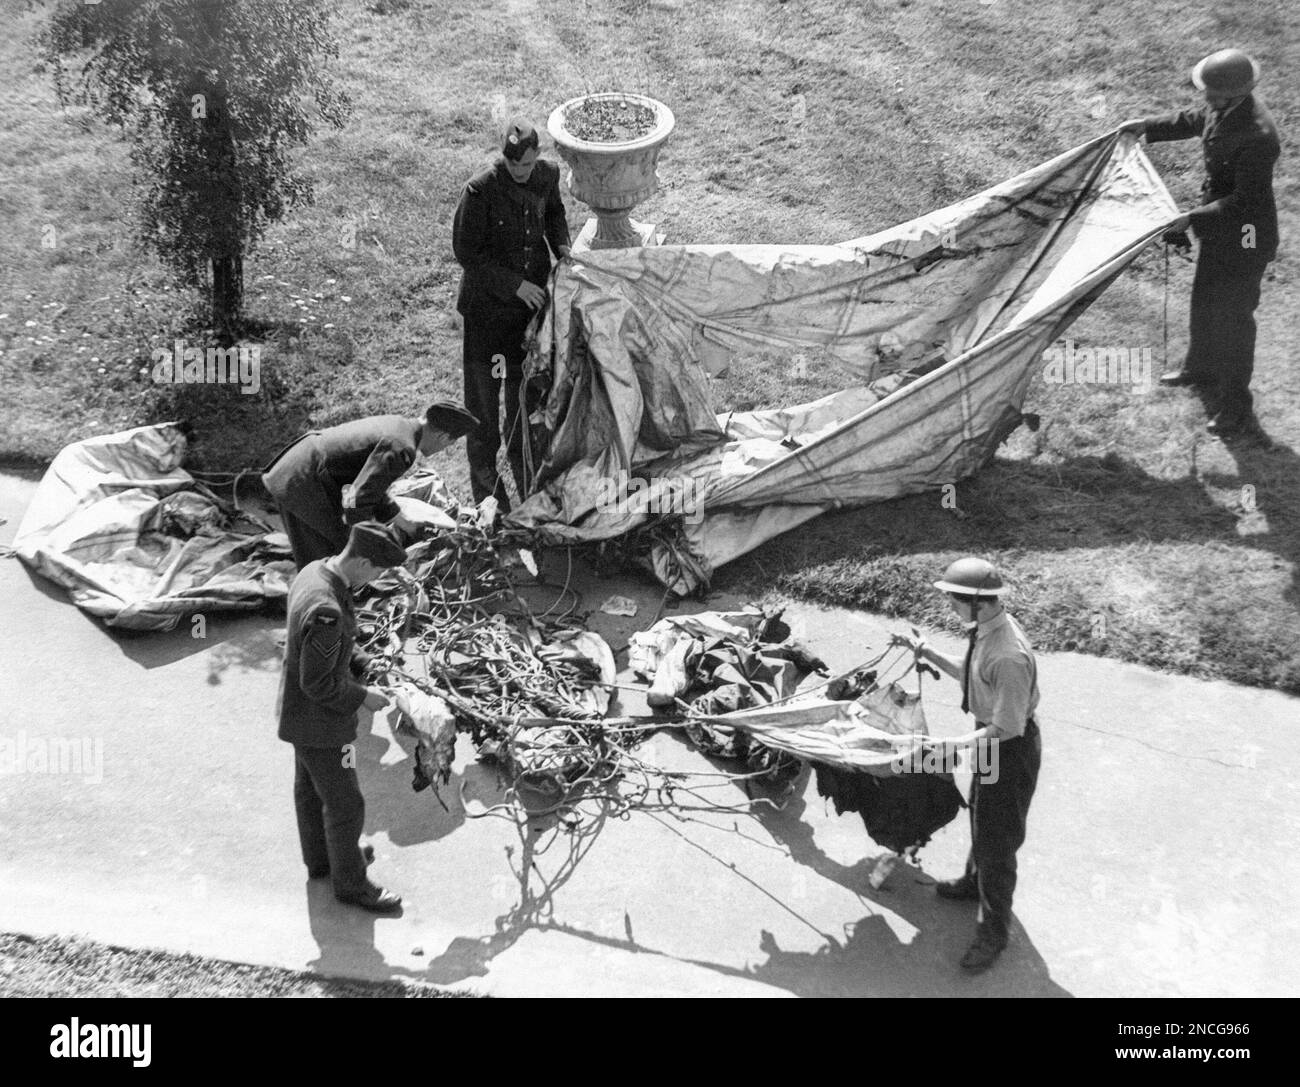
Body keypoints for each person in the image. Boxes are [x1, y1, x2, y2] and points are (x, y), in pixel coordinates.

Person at [889, 557, 1040, 973]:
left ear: (981, 603)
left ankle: (994, 932)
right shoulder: (985, 632)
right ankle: (975, 883)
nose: (951, 608)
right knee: (981, 812)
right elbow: (972, 676)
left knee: (998, 842)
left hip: (1009, 749)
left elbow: (1008, 726)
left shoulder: (1007, 656)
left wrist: (953, 745)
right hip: (989, 740)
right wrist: (927, 652)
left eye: (956, 601)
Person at [1118, 48, 1280, 437]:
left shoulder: (1259, 137)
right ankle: (1201, 369)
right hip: (1220, 228)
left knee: (1234, 321)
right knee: (1205, 300)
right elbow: (1195, 119)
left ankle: (1236, 409)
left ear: (1237, 93)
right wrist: (1146, 126)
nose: (1205, 98)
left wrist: (1192, 217)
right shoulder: (1226, 106)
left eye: (1213, 92)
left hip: (1246, 237)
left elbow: (1246, 201)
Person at [277, 520, 407, 912]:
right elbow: (318, 682)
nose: (378, 579)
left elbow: (327, 649)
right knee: (346, 804)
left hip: (299, 717)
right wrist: (363, 696)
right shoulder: (327, 609)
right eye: (378, 571)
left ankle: (323, 862)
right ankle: (352, 886)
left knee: (308, 790)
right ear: (364, 562)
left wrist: (365, 662)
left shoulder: (315, 572)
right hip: (320, 721)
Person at [452, 117, 572, 508]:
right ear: (503, 158)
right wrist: (514, 285)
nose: (520, 172)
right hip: (487, 317)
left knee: (523, 402)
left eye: (526, 164)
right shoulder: (481, 189)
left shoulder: (546, 175)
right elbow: (467, 253)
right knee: (483, 413)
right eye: (512, 165)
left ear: (538, 156)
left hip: (525, 318)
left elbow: (553, 215)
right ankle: (489, 501)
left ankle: (529, 488)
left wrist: (563, 248)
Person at [262, 401, 478, 569]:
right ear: (442, 436)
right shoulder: (402, 448)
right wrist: (376, 549)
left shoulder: (401, 427)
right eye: (451, 442)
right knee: (328, 564)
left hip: (307, 470)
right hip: (304, 481)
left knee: (340, 550)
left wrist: (405, 524)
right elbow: (356, 503)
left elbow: (368, 486)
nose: (447, 447)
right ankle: (315, 616)